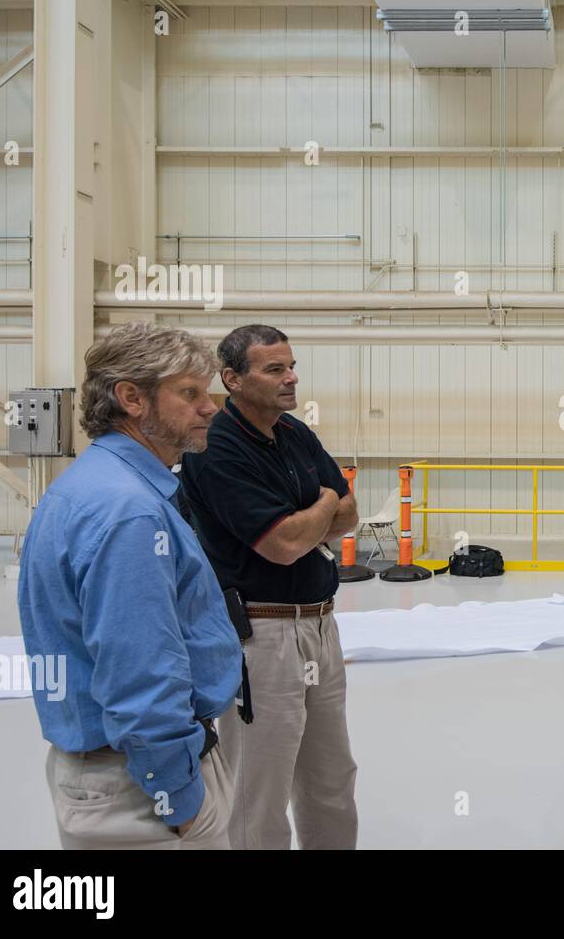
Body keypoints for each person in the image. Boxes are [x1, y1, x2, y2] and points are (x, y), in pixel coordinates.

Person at [18, 321, 242, 849]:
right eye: (190, 393)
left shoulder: (89, 486)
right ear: (131, 398)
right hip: (142, 793)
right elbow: (141, 672)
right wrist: (179, 801)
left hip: (115, 774)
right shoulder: (129, 513)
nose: (210, 407)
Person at [179, 324, 360, 849]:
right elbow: (283, 543)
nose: (291, 378)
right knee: (258, 789)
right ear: (232, 379)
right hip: (261, 635)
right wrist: (323, 503)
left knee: (332, 777)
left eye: (291, 366)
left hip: (320, 627)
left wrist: (317, 518)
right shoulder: (215, 449)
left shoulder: (293, 432)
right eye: (274, 369)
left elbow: (348, 517)